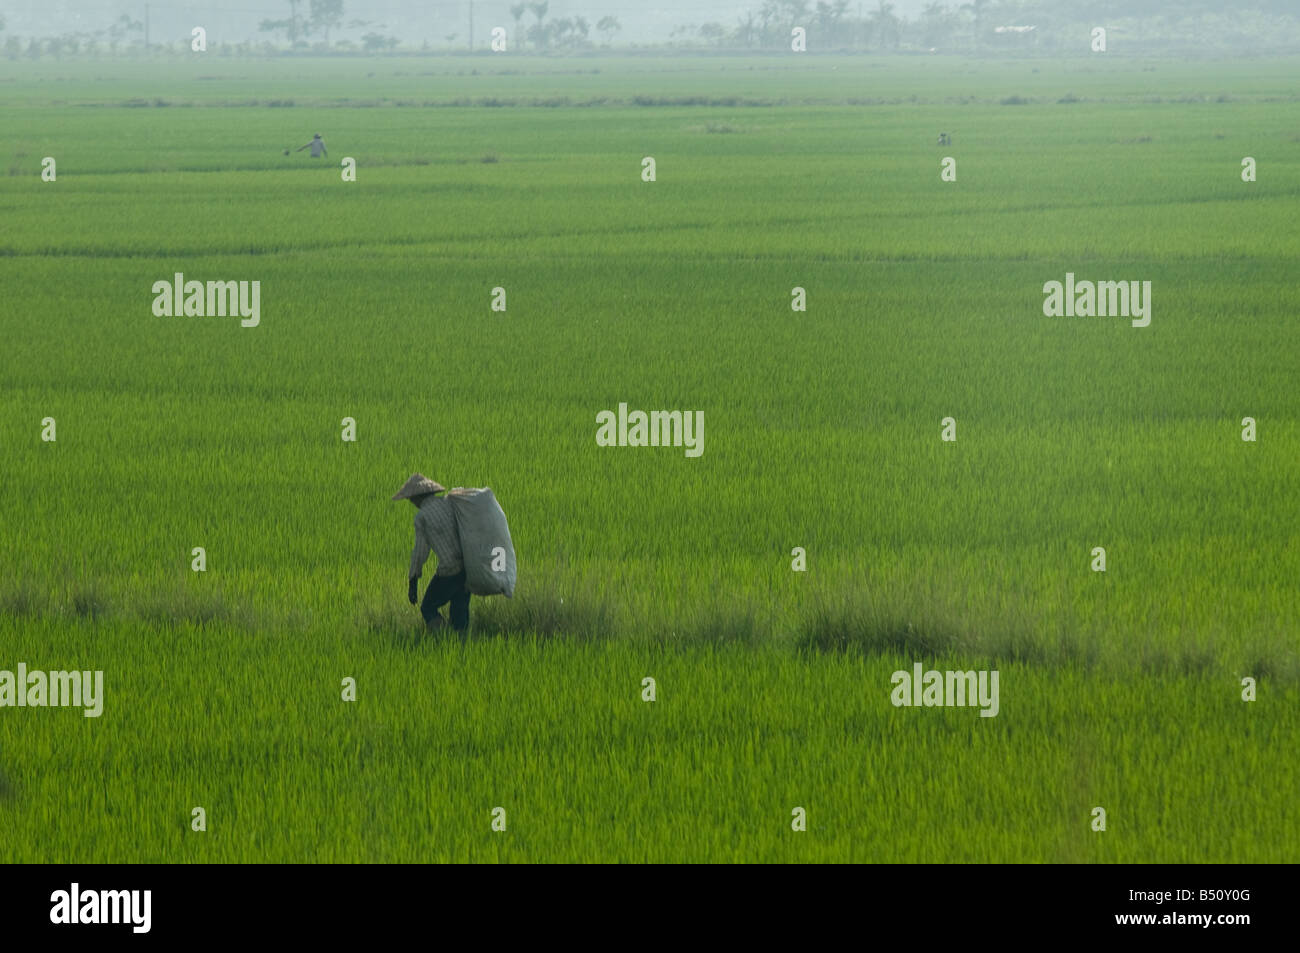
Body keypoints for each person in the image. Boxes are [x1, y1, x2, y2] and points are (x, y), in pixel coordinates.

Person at [392, 473, 470, 635]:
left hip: (449, 570)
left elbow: (420, 552)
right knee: (459, 611)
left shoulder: (422, 517)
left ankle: (443, 638)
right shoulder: (449, 504)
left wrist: (413, 581)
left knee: (427, 607)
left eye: (411, 499)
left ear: (418, 497)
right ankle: (460, 644)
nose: (411, 502)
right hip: (468, 568)